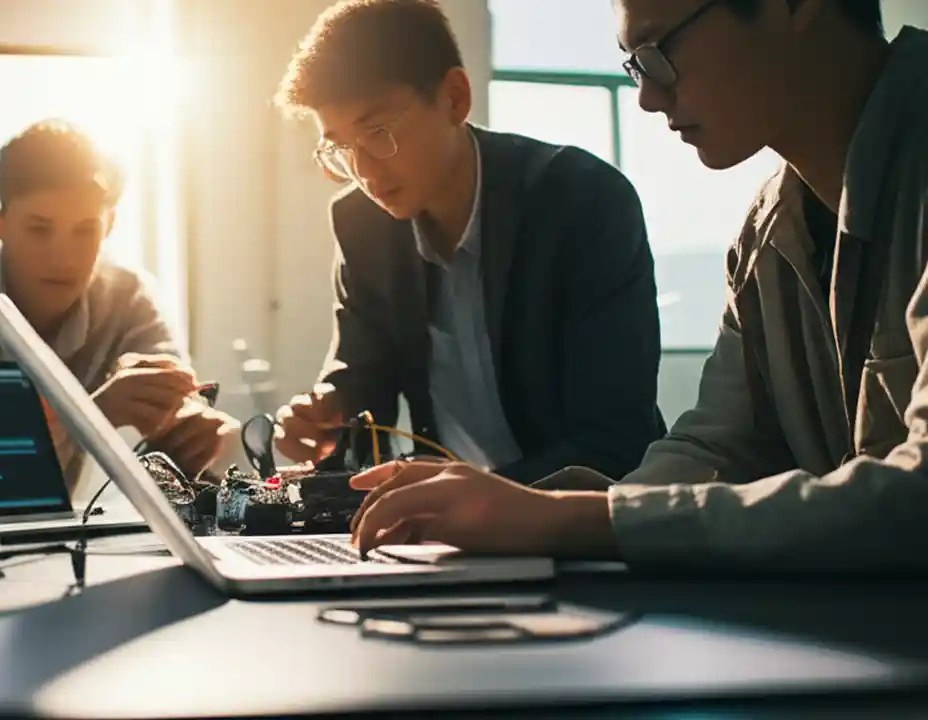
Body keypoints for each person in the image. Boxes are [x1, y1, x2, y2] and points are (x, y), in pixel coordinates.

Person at [350, 0, 928, 572]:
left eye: (658, 51)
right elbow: (715, 450)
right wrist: (516, 510)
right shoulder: (767, 232)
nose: (649, 98)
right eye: (634, 65)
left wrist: (566, 522)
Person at [271, 0, 665, 483]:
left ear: (455, 98)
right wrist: (330, 412)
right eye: (340, 148)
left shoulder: (581, 201)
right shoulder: (361, 222)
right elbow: (362, 372)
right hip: (457, 533)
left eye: (377, 132)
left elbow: (614, 440)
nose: (364, 171)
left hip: (591, 524)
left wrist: (475, 500)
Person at [0, 119, 237, 491]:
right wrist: (92, 416)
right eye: (39, 229)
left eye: (85, 230)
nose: (62, 257)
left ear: (109, 225)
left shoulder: (133, 297)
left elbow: (186, 415)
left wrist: (189, 427)